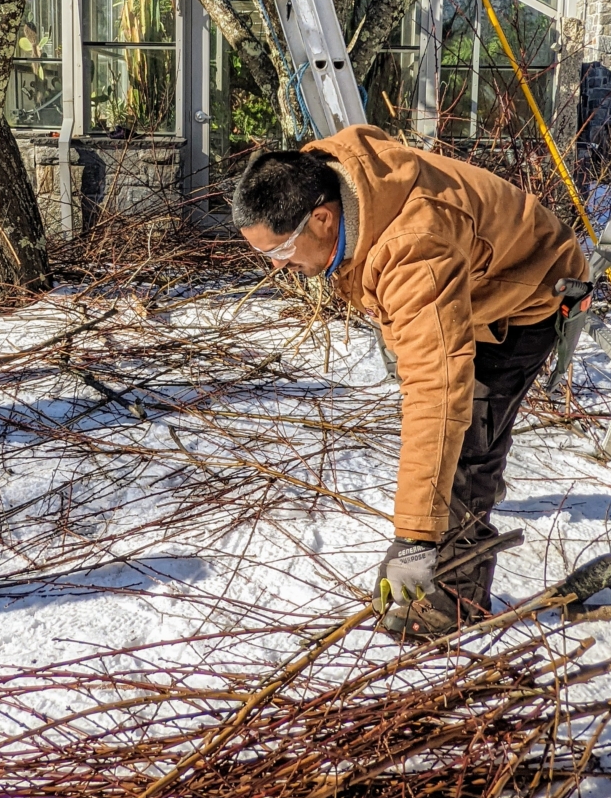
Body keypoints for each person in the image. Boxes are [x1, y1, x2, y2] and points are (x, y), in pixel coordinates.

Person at [232, 124, 587, 638]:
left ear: (323, 217)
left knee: (467, 447)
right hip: (471, 278)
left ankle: (452, 604)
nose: (282, 267)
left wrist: (414, 538)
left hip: (526, 297)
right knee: (450, 441)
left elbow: (438, 393)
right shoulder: (339, 179)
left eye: (280, 251)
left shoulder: (415, 249)